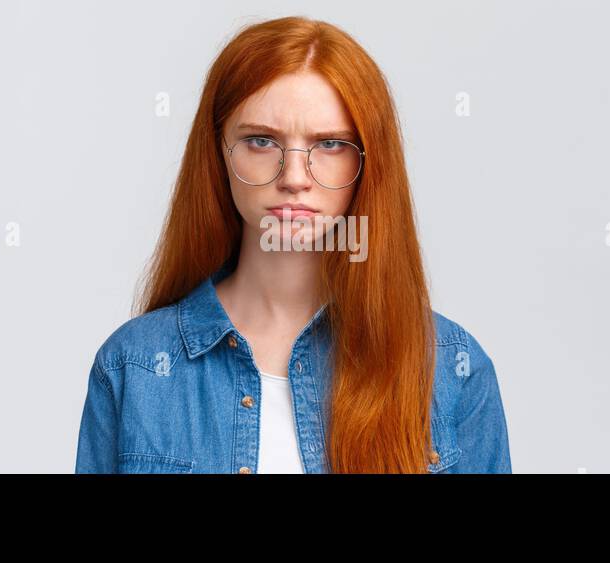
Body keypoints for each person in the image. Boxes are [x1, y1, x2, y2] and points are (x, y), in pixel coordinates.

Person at [76, 15, 511, 474]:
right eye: (261, 140)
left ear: (369, 164)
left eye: (330, 145)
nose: (294, 178)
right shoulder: (135, 366)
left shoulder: (451, 368)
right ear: (217, 152)